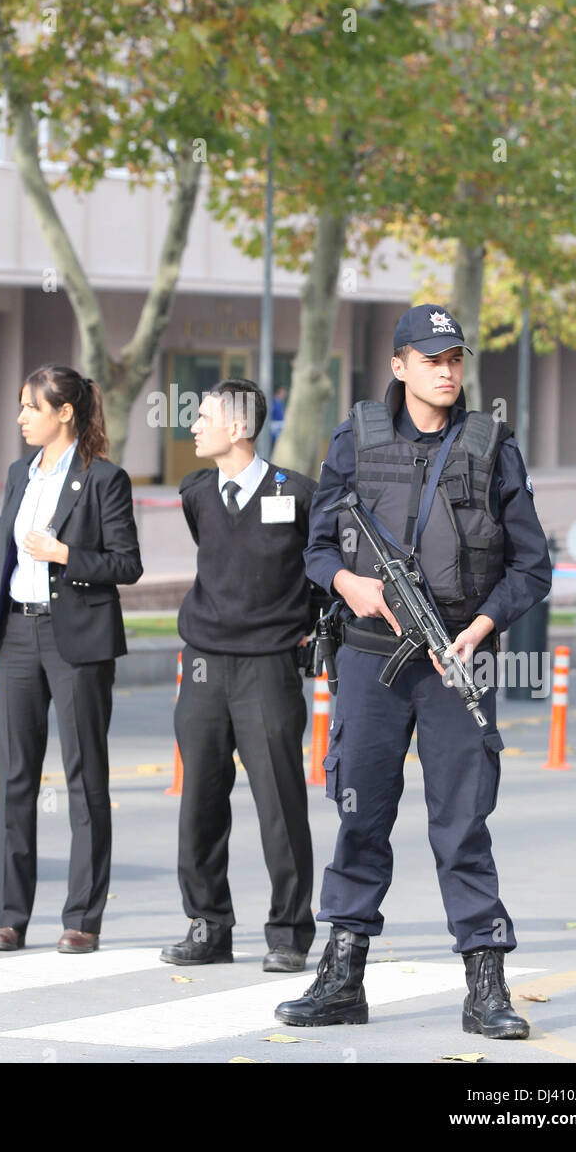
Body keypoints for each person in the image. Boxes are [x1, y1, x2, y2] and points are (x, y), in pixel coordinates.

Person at [274, 304, 552, 1037]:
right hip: (371, 659)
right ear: (398, 366)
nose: (448, 371)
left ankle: (486, 982)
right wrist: (349, 586)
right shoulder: (355, 439)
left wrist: (483, 626)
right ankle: (343, 976)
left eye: (456, 359)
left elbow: (532, 567)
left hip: (458, 659)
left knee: (463, 823)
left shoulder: (493, 447)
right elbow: (318, 548)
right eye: (432, 360)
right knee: (361, 814)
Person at [0, 365, 142, 954]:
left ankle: (82, 919)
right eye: (21, 407)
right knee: (16, 779)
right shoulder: (20, 473)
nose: (20, 417)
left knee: (84, 777)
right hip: (17, 637)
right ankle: (10, 917)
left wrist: (66, 552)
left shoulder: (104, 479)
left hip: (78, 642)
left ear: (63, 412)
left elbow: (127, 564)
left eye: (30, 407)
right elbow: (0, 566)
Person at [160, 378, 320, 973]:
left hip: (268, 668)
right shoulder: (196, 491)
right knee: (200, 798)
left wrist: (308, 623)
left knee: (279, 800)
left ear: (238, 427)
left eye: (203, 417)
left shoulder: (298, 494)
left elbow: (324, 566)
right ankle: (208, 925)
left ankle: (288, 933)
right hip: (202, 663)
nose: (194, 426)